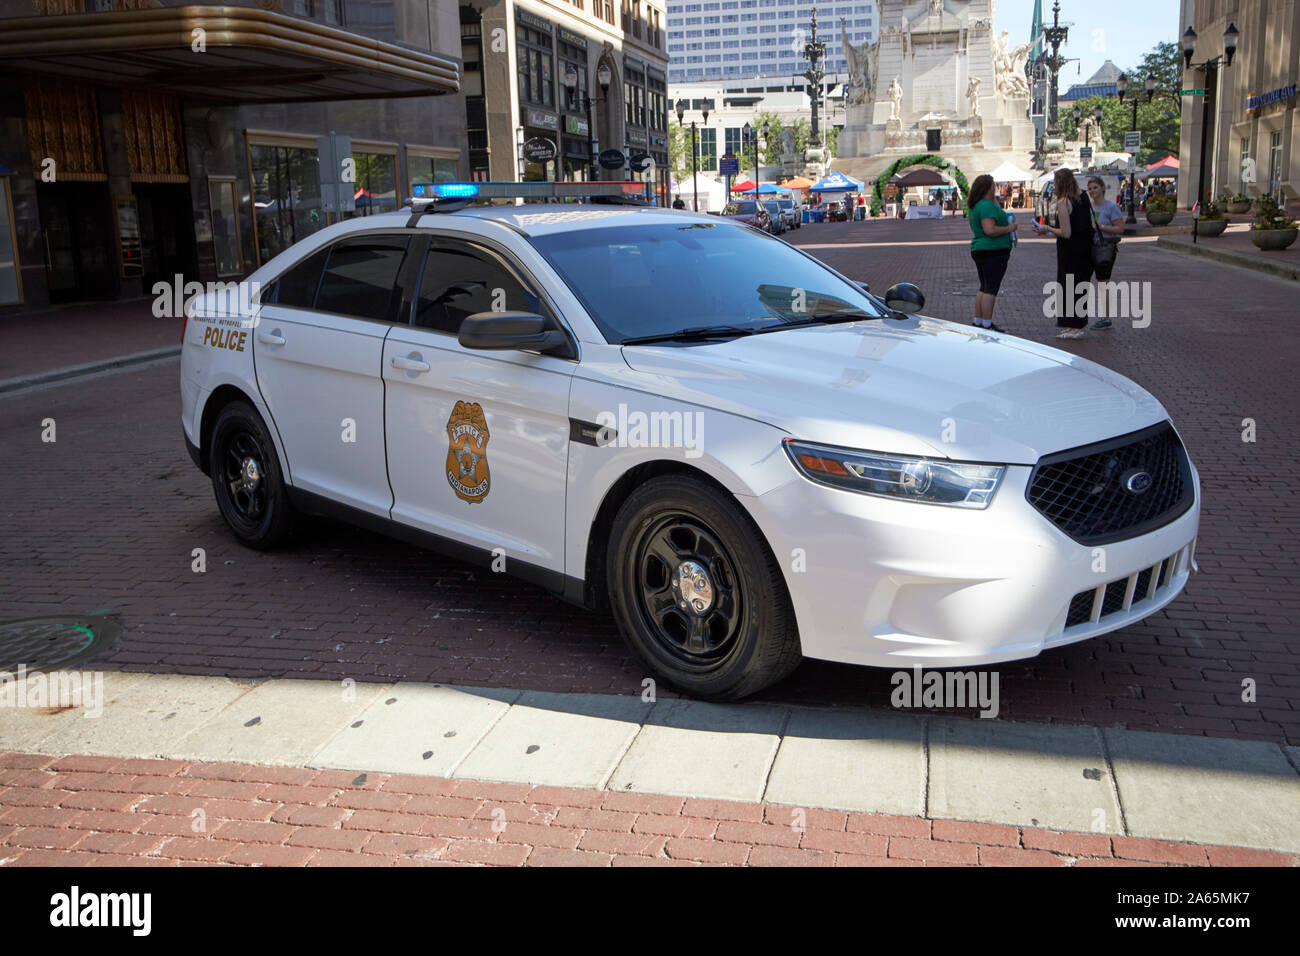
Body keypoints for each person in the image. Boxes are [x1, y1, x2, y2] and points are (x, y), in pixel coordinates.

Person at [1034, 168, 1094, 339]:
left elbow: (1066, 232)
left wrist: (1047, 228)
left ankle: (1073, 326)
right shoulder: (1083, 196)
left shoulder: (1063, 202)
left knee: (1068, 286)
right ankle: (1077, 324)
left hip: (1070, 250)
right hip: (1085, 248)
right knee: (1080, 287)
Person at [966, 173, 1017, 333]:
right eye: (993, 185)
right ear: (989, 187)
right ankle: (987, 324)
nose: (995, 187)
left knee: (984, 286)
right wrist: (1009, 228)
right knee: (991, 288)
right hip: (993, 249)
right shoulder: (986, 206)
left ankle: (978, 320)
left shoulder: (978, 205)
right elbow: (990, 229)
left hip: (981, 248)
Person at [1086, 177, 1124, 329]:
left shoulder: (1111, 207)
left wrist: (1101, 227)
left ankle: (1106, 317)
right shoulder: (1088, 207)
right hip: (1089, 247)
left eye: (1095, 188)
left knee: (1103, 283)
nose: (1092, 191)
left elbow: (1120, 228)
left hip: (1104, 248)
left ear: (1102, 188)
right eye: (1090, 189)